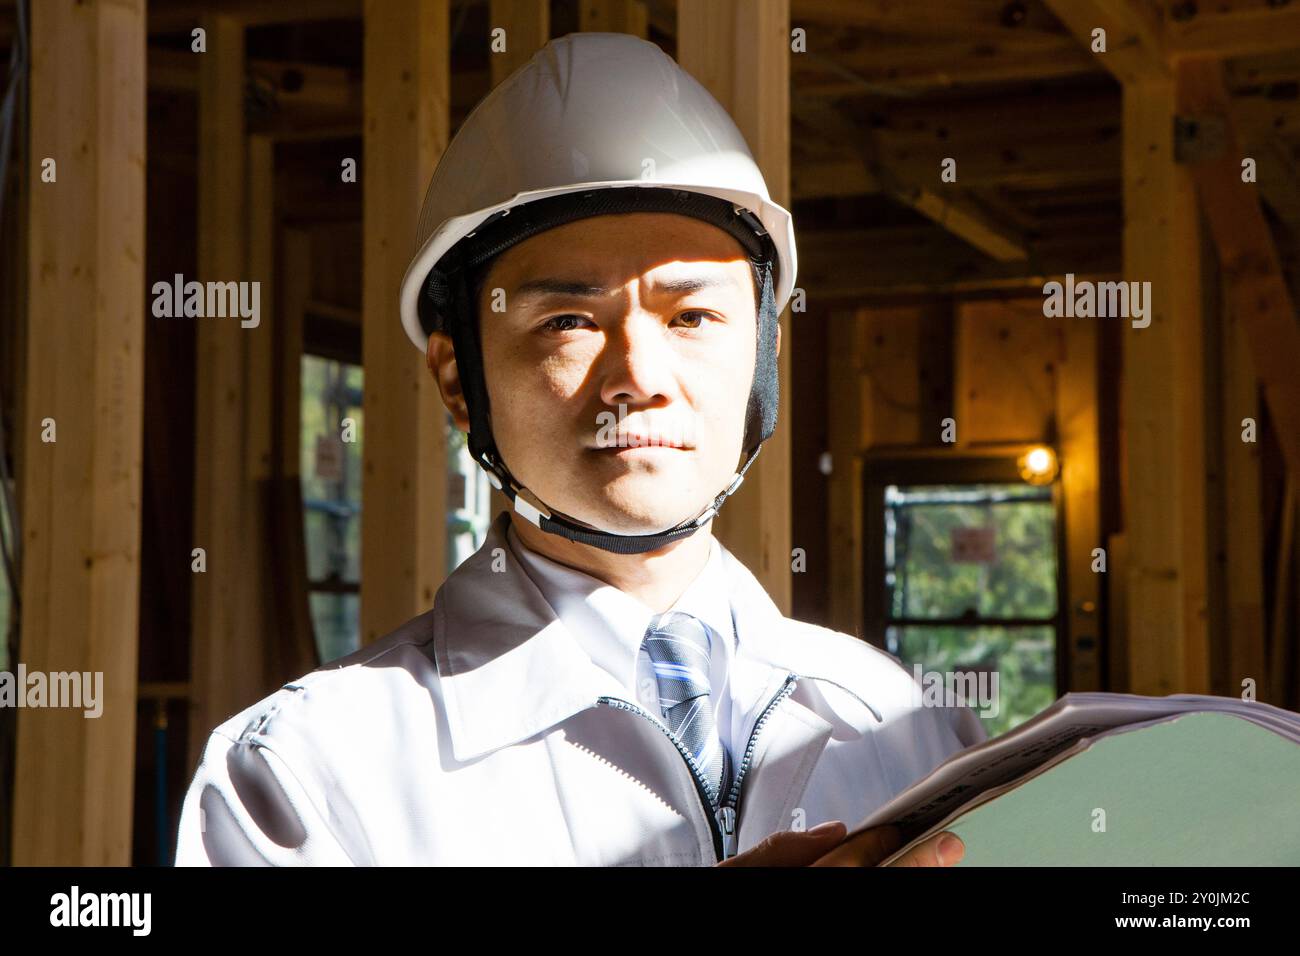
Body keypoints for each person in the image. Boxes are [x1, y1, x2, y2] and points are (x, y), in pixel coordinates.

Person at [175, 32, 985, 867]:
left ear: (762, 358)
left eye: (692, 317)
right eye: (568, 321)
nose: (638, 377)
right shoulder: (306, 770)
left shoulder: (909, 724)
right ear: (459, 380)